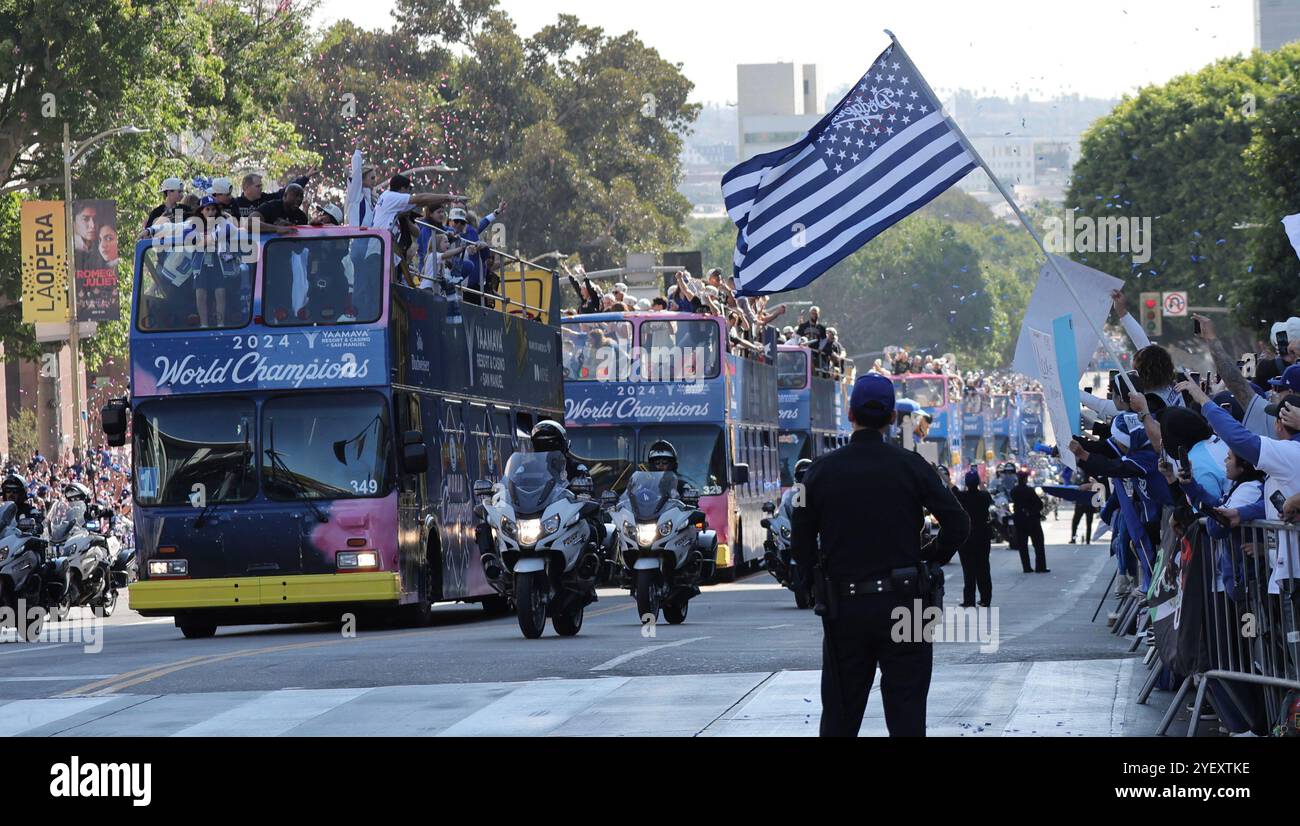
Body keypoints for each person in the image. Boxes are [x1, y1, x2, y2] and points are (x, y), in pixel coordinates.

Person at [791, 373, 969, 737]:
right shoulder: (912, 465)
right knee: (907, 716)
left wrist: (810, 582)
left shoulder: (820, 471)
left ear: (851, 414)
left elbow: (800, 541)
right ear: (892, 418)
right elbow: (958, 522)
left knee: (840, 717)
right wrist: (931, 556)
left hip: (846, 607)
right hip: (907, 605)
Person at [953, 469, 993, 607]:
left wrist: (938, 473)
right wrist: (981, 481)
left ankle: (969, 600)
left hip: (967, 537)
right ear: (978, 482)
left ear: (966, 483)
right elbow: (984, 490)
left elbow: (951, 487)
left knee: (968, 570)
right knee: (983, 568)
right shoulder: (985, 496)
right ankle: (986, 599)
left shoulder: (961, 497)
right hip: (983, 536)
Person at [1010, 469, 1048, 573]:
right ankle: (1040, 567)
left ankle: (1026, 567)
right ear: (1026, 479)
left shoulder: (1013, 491)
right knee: (1038, 543)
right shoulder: (1030, 490)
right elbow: (1039, 504)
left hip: (1019, 520)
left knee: (1023, 545)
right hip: (1032, 520)